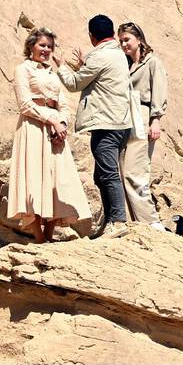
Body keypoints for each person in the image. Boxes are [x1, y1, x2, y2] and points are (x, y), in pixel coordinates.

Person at [7, 28, 91, 242]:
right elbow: (25, 104)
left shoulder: (51, 73)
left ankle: (48, 233)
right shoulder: (23, 69)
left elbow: (62, 102)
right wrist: (51, 120)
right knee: (33, 178)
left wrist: (61, 122)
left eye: (49, 47)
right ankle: (38, 236)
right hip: (33, 128)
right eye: (42, 45)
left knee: (58, 180)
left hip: (55, 131)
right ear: (31, 46)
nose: (46, 50)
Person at [55, 14, 134, 238]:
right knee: (102, 175)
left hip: (106, 123)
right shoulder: (117, 54)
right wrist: (84, 65)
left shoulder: (100, 57)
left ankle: (118, 221)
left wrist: (62, 67)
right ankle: (110, 220)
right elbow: (101, 79)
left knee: (108, 174)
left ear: (92, 36)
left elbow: (73, 84)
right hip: (119, 122)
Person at [117, 22, 169, 230]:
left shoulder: (152, 62)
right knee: (122, 169)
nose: (123, 44)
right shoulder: (125, 64)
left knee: (134, 171)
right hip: (125, 117)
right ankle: (135, 222)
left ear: (139, 39)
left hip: (143, 115)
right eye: (120, 41)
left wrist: (155, 120)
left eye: (127, 40)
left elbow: (160, 90)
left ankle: (151, 223)